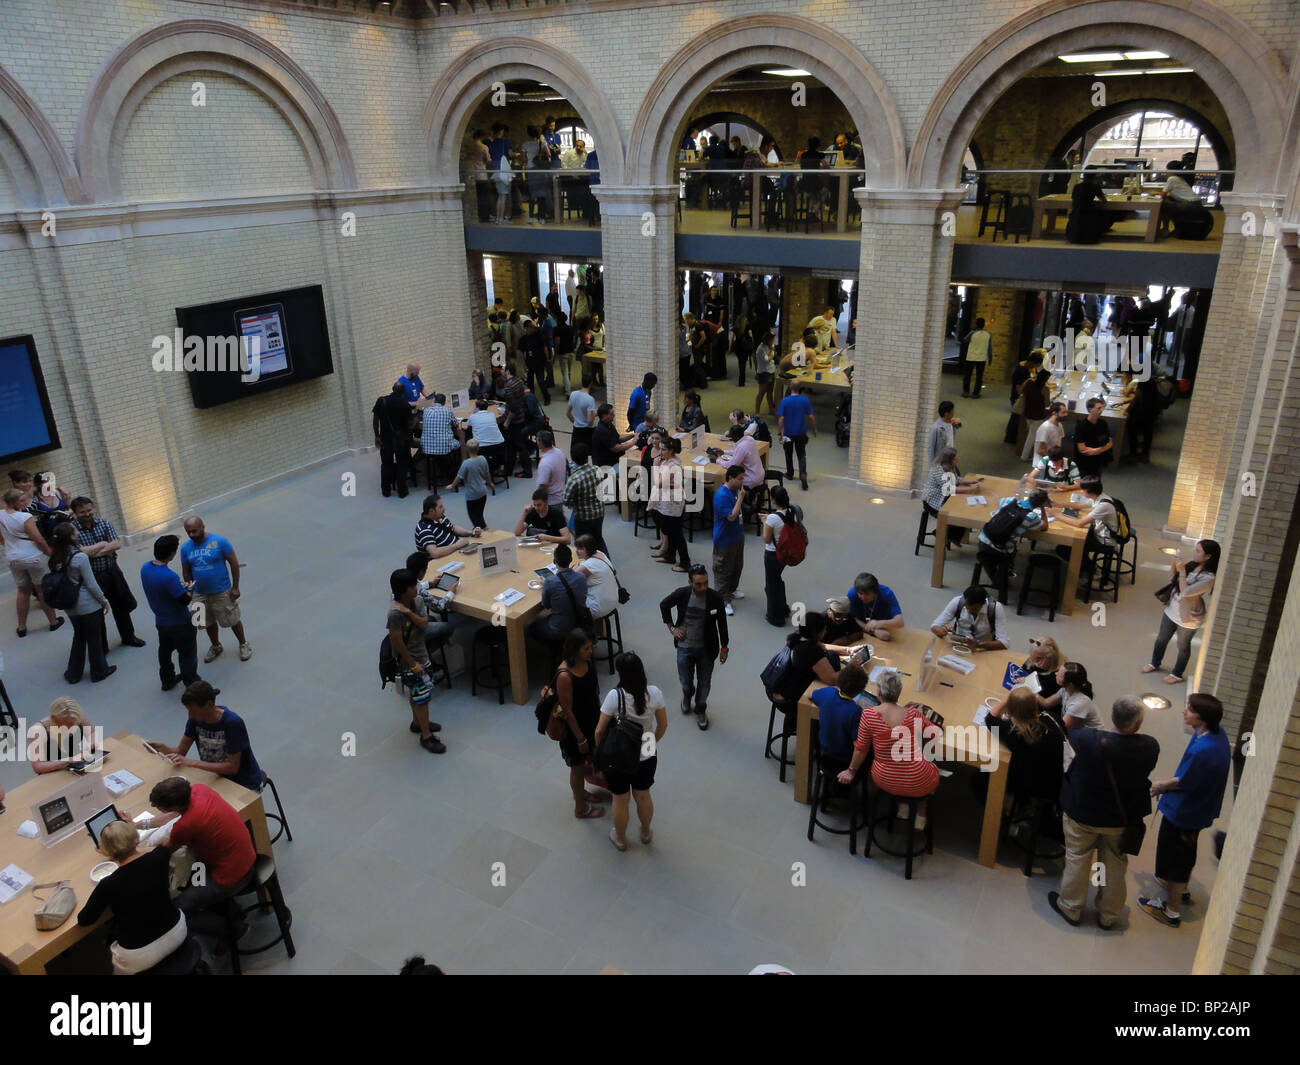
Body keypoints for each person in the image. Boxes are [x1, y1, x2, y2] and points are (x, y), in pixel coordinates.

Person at [1049, 697, 1160, 929]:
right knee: (1114, 864)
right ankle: (1109, 915)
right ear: (1137, 724)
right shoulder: (1149, 747)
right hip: (1121, 819)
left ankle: (1070, 907)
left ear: (1112, 717)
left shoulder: (1085, 740)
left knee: (1077, 858)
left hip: (1083, 812)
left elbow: (1069, 731)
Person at [1140, 693, 1232, 927]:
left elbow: (1185, 781)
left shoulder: (1205, 749)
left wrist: (1160, 785)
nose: (1183, 711)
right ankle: (1178, 888)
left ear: (1202, 718)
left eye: (1189, 709)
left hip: (1185, 813)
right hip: (1197, 810)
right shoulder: (1216, 734)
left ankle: (1171, 910)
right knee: (1184, 852)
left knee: (1177, 857)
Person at [148, 776, 259, 936]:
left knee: (174, 912)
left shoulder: (185, 826)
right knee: (192, 876)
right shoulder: (200, 790)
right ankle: (233, 911)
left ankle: (233, 930)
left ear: (174, 806)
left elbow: (164, 850)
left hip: (231, 878)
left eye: (159, 807)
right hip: (246, 855)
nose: (154, 807)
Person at [76, 819, 187, 975]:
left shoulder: (108, 884)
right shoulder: (160, 856)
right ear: (135, 836)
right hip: (178, 930)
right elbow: (163, 844)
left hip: (140, 954)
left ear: (105, 850)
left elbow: (85, 920)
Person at [837, 670, 943, 829]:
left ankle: (903, 806)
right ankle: (921, 814)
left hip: (884, 778)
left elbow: (860, 749)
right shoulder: (913, 714)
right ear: (898, 692)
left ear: (878, 693)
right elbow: (936, 732)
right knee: (929, 768)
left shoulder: (868, 715)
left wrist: (851, 771)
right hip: (917, 779)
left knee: (898, 769)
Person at [594, 651, 667, 850]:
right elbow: (663, 724)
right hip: (647, 750)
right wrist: (651, 742)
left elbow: (599, 730)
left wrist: (600, 751)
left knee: (620, 798)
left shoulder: (614, 696)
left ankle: (620, 837)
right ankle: (645, 831)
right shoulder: (654, 693)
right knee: (643, 795)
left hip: (620, 753)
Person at [150, 681, 264, 792]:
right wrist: (162, 748)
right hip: (215, 777)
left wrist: (192, 763)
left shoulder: (232, 723)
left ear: (209, 704)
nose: (190, 715)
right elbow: (180, 752)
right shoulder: (194, 720)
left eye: (193, 711)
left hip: (243, 782)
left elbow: (232, 768)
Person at [659, 564, 729, 730]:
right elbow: (664, 605)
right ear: (690, 582)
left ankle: (700, 709)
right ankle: (687, 694)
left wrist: (724, 646)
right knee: (685, 681)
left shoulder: (715, 598)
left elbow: (722, 623)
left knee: (704, 683)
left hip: (707, 648)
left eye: (706, 583)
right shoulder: (682, 594)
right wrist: (672, 629)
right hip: (684, 647)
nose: (703, 587)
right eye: (699, 584)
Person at [1142, 539, 1220, 684]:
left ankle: (1177, 673)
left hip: (1189, 617)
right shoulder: (1192, 565)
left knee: (1183, 647)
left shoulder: (1209, 578)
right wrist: (1174, 564)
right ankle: (1154, 662)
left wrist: (1182, 572)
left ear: (1208, 556)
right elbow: (1173, 579)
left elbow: (1185, 592)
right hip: (1171, 609)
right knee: (1161, 639)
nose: (1194, 553)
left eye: (1198, 551)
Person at [70, 496, 144, 651]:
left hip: (112, 572)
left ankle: (128, 637)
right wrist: (105, 546)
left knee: (121, 607)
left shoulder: (104, 523)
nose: (87, 514)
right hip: (91, 577)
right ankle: (101, 647)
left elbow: (116, 544)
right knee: (96, 613)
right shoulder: (72, 530)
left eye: (89, 510)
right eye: (82, 512)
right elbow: (80, 552)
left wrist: (92, 551)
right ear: (75, 513)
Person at [768, 612, 866, 725]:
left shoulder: (799, 637)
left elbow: (823, 646)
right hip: (789, 701)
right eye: (824, 629)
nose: (826, 631)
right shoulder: (811, 651)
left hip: (777, 687)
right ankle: (813, 734)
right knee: (837, 697)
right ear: (817, 633)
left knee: (831, 656)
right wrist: (852, 665)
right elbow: (833, 679)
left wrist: (849, 650)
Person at [48, 523, 115, 684]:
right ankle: (99, 670)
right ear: (71, 536)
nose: (77, 531)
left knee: (79, 636)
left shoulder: (55, 558)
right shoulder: (80, 557)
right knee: (94, 638)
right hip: (87, 604)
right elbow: (91, 584)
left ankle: (73, 673)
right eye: (74, 530)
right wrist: (104, 601)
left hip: (70, 605)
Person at [547, 628, 605, 819]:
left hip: (590, 720)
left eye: (591, 647)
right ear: (574, 650)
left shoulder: (588, 663)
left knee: (584, 763)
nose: (591, 652)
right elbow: (568, 711)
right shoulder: (565, 676)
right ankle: (580, 807)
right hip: (575, 729)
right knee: (577, 767)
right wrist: (580, 738)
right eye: (586, 649)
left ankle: (581, 794)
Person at [387, 568, 445, 753]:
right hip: (411, 662)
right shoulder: (394, 615)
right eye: (414, 586)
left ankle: (416, 722)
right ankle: (426, 735)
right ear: (403, 590)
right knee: (422, 699)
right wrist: (412, 664)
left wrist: (408, 612)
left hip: (422, 656)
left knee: (418, 694)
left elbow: (424, 623)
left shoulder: (416, 601)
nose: (417, 588)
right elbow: (397, 643)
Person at [984, 686, 1066, 817]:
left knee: (979, 779)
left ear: (1011, 710)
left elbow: (990, 718)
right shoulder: (1051, 718)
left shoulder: (1016, 733)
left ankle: (1007, 812)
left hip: (1034, 783)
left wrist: (1008, 698)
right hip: (1058, 777)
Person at [180, 516, 252, 664]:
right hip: (199, 593)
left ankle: (243, 643)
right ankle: (216, 645)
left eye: (194, 531)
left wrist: (235, 587)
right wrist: (189, 589)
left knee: (232, 619)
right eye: (188, 532)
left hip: (221, 591)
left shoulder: (220, 542)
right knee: (206, 621)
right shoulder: (186, 548)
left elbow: (233, 563)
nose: (191, 535)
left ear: (202, 527)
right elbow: (186, 570)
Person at [140, 534, 201, 691]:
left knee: (165, 651)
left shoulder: (145, 568)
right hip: (180, 622)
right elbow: (185, 601)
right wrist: (190, 588)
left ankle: (167, 680)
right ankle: (192, 683)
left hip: (161, 621)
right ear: (172, 554)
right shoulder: (169, 576)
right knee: (187, 654)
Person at [1, 486, 61, 637]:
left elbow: (1, 538)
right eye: (21, 500)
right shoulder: (24, 517)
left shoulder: (0, 516)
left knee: (22, 591)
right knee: (41, 590)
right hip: (33, 557)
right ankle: (53, 622)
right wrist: (48, 553)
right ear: (14, 502)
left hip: (14, 559)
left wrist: (10, 547)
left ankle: (21, 627)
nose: (25, 502)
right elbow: (38, 539)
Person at [921, 448, 984, 548]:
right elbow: (949, 489)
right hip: (933, 501)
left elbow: (955, 479)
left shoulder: (950, 467)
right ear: (949, 459)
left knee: (964, 507)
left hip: (944, 496)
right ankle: (944, 533)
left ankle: (950, 535)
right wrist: (970, 489)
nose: (958, 459)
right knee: (958, 511)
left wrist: (971, 482)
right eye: (956, 458)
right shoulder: (938, 469)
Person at [530, 543, 589, 648]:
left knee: (532, 627)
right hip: (579, 623)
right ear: (571, 559)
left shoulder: (550, 582)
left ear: (554, 561)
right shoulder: (581, 577)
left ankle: (555, 650)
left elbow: (546, 605)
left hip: (559, 628)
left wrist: (546, 586)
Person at [810, 661, 868, 766]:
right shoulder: (855, 711)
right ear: (860, 691)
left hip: (824, 750)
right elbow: (859, 743)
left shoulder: (828, 693)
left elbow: (812, 695)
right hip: (845, 758)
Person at [762, 485, 801, 626]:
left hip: (772, 554)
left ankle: (775, 616)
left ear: (773, 500)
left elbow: (766, 539)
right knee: (777, 580)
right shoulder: (791, 511)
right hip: (784, 554)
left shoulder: (772, 518)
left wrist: (764, 523)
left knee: (771, 585)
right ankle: (783, 608)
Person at [649, 435, 689, 572]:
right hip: (667, 501)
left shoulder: (674, 465)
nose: (660, 452)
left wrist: (655, 467)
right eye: (660, 449)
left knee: (676, 533)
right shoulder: (667, 461)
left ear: (671, 450)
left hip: (673, 503)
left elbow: (659, 483)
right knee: (669, 530)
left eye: (663, 450)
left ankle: (685, 562)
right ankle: (670, 556)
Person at [712, 464, 747, 616]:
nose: (742, 482)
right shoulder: (722, 495)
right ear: (731, 478)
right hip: (724, 539)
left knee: (737, 566)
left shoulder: (734, 491)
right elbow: (732, 516)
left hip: (737, 536)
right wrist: (740, 498)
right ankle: (722, 600)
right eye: (739, 479)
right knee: (723, 571)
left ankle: (732, 590)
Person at [30, 695, 98, 773]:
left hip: (78, 764)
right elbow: (38, 766)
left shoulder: (76, 716)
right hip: (54, 770)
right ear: (54, 719)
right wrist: (69, 760)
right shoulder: (38, 731)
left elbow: (91, 733)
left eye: (74, 724)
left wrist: (89, 747)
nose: (72, 727)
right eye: (67, 724)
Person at [563, 442, 609, 556]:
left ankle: (587, 567)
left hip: (583, 517)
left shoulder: (574, 479)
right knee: (598, 539)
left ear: (573, 458)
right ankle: (607, 565)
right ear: (587, 457)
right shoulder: (597, 469)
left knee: (583, 544)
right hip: (599, 512)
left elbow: (566, 501)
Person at [930, 585, 1009, 651]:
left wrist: (979, 645)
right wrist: (942, 632)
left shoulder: (995, 608)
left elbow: (1004, 643)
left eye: (974, 609)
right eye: (966, 606)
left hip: (983, 650)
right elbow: (934, 625)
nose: (968, 611)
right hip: (958, 647)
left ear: (983, 603)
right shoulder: (957, 601)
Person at [977, 488, 1051, 559]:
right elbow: (1044, 527)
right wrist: (1043, 509)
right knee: (1013, 549)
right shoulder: (1031, 517)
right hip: (1000, 550)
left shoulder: (1009, 500)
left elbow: (999, 502)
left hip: (983, 539)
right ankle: (1005, 568)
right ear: (1040, 504)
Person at [373, 382, 414, 498]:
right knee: (402, 464)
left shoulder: (381, 401)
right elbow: (410, 425)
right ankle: (402, 491)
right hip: (401, 439)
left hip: (385, 439)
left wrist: (377, 436)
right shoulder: (405, 404)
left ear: (392, 389)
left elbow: (375, 421)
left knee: (386, 464)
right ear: (402, 392)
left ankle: (386, 490)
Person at [415, 493, 482, 559]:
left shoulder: (439, 517)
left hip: (456, 552)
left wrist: (471, 533)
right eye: (440, 507)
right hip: (442, 560)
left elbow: (452, 528)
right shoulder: (424, 529)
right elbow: (434, 553)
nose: (444, 509)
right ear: (432, 511)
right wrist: (457, 545)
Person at [842, 572, 904, 642]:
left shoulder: (887, 594)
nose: (863, 597)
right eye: (860, 593)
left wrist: (878, 623)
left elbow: (900, 622)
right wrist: (872, 631)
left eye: (867, 594)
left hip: (882, 622)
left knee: (886, 636)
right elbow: (852, 619)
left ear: (875, 592)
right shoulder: (852, 594)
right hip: (863, 624)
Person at [445, 438, 492, 531]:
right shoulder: (483, 459)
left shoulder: (466, 463)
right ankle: (482, 527)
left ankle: (482, 530)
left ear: (467, 449)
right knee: (479, 512)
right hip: (482, 492)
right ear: (478, 448)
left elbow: (459, 476)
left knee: (473, 516)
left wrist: (452, 485)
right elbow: (487, 473)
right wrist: (490, 483)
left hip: (472, 495)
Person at [776, 380, 815, 490]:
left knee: (788, 454)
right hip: (801, 433)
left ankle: (790, 473)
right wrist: (814, 429)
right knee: (801, 455)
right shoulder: (804, 400)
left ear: (789, 387)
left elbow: (781, 419)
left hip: (788, 434)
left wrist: (779, 433)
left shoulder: (785, 401)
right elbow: (811, 417)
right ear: (800, 388)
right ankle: (802, 473)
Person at [573, 534, 618, 620]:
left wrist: (575, 568)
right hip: (612, 600)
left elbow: (569, 578)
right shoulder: (600, 553)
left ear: (589, 549)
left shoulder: (588, 565)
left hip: (598, 608)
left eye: (580, 549)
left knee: (567, 598)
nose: (577, 551)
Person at [1005, 349, 1045, 445]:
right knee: (1017, 418)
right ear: (1031, 362)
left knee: (1017, 418)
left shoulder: (1028, 368)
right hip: (1019, 396)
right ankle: (1011, 438)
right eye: (1035, 365)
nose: (1036, 367)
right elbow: (1019, 389)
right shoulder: (1020, 371)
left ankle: (1013, 437)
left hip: (1025, 395)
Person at [420, 393, 459, 484]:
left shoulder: (426, 411)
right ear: (444, 402)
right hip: (444, 447)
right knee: (458, 444)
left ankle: (441, 469)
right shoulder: (448, 410)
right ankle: (453, 473)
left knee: (437, 444)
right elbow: (456, 425)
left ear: (434, 401)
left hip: (427, 447)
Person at [466, 396, 506, 476]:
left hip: (482, 447)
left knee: (468, 437)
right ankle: (495, 467)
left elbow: (468, 427)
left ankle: (473, 468)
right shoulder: (491, 415)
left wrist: (473, 413)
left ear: (477, 408)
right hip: (499, 445)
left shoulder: (472, 417)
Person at [1072, 397, 1113, 477]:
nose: (1101, 411)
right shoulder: (1081, 426)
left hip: (1098, 462)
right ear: (1090, 409)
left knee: (1096, 483)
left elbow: (1110, 443)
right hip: (1084, 463)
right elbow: (1083, 450)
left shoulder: (1103, 423)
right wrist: (1102, 449)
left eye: (1102, 408)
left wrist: (1095, 451)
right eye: (1098, 408)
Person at [1017, 369, 1052, 459]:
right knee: (1031, 437)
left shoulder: (1029, 382)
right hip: (1038, 415)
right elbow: (1047, 404)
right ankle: (1024, 456)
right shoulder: (1045, 389)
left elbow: (1021, 391)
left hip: (1027, 412)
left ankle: (1030, 452)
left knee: (1031, 432)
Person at [592, 403, 636, 468]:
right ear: (604, 416)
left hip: (615, 458)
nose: (614, 415)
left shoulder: (609, 424)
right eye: (611, 414)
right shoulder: (602, 430)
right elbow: (615, 448)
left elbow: (618, 438)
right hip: (606, 465)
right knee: (634, 465)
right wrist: (633, 443)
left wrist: (633, 435)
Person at [534, 428, 567, 514]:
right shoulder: (560, 452)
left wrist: (540, 503)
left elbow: (542, 486)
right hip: (560, 496)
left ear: (540, 443)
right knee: (560, 521)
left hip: (551, 501)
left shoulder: (545, 463)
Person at [959, 317, 993, 398]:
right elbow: (990, 348)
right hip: (982, 358)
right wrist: (990, 358)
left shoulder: (972, 333)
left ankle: (966, 392)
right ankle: (976, 393)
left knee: (967, 375)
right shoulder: (988, 334)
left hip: (971, 357)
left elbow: (965, 340)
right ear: (984, 325)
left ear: (976, 324)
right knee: (979, 376)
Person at [567, 374, 597, 458]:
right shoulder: (590, 399)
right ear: (591, 383)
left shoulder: (573, 394)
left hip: (576, 430)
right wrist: (595, 414)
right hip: (587, 431)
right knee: (592, 453)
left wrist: (575, 421)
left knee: (577, 455)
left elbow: (568, 413)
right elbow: (589, 421)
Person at [753, 330, 778, 415]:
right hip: (764, 373)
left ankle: (771, 409)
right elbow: (767, 359)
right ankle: (757, 412)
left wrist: (771, 350)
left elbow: (772, 357)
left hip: (771, 371)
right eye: (773, 340)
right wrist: (771, 351)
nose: (774, 341)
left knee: (770, 392)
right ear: (768, 340)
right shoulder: (761, 348)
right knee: (761, 393)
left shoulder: (771, 346)